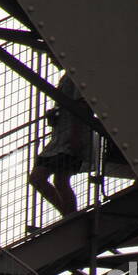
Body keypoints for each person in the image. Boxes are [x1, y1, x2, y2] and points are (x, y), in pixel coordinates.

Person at [30, 72, 96, 218]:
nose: (52, 59)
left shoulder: (77, 75)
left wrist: (76, 135)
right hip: (60, 138)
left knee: (57, 180)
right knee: (43, 179)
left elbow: (83, 107)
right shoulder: (68, 76)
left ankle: (70, 216)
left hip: (70, 137)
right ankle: (69, 215)